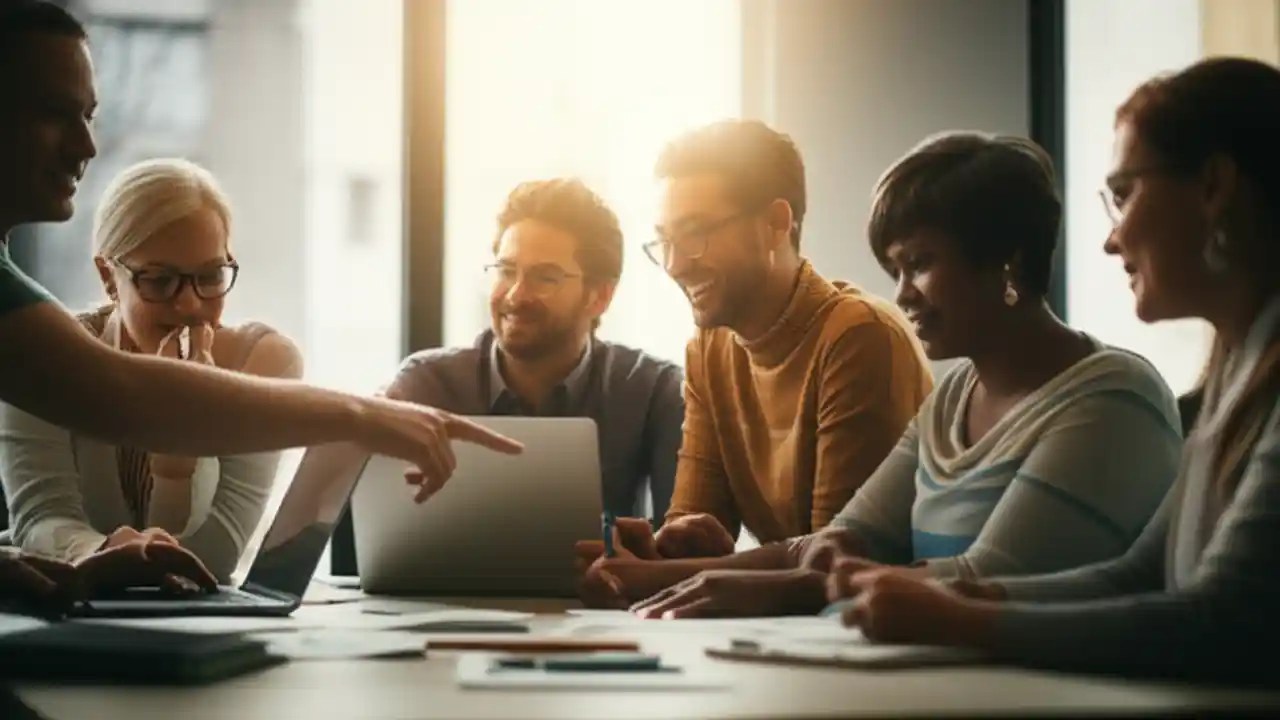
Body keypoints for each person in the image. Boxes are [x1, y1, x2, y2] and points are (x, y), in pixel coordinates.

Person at [0, 1, 518, 609]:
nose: (86, 144)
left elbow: (208, 554)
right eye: (51, 114)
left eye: (88, 116)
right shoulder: (50, 333)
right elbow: (116, 389)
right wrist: (361, 415)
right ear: (109, 278)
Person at [581, 133, 1182, 618]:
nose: (904, 295)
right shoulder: (952, 404)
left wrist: (779, 591)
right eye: (895, 269)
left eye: (919, 265)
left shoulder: (1108, 399)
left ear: (1010, 259)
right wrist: (650, 575)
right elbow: (836, 544)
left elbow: (986, 578)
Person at [824, 57, 1280, 685]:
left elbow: (1221, 623)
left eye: (1123, 195)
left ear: (1214, 188)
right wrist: (968, 600)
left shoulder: (1155, 390)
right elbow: (1137, 575)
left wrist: (963, 621)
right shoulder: (1234, 377)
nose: (1111, 240)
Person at [611, 119, 933, 560]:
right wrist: (652, 553)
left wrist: (654, 577)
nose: (674, 264)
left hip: (875, 619)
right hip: (794, 621)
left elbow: (832, 563)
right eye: (665, 241)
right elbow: (693, 526)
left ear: (776, 222)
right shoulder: (711, 347)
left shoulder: (859, 336)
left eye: (695, 235)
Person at [2, 158, 302, 584]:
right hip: (66, 601)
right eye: (160, 281)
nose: (189, 305)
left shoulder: (263, 364)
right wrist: (107, 553)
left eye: (211, 276)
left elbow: (215, 557)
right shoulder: (43, 357)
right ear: (109, 276)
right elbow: (41, 520)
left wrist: (176, 472)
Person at [383, 178, 683, 520]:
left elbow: (677, 540)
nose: (515, 295)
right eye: (507, 271)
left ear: (599, 296)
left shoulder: (654, 391)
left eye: (545, 277)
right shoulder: (426, 383)